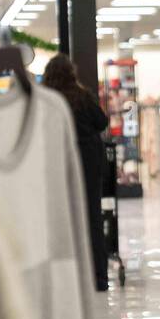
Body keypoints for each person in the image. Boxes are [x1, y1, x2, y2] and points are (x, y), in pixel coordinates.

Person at [43, 54, 110, 291]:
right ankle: (99, 277)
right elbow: (102, 122)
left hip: (58, 161)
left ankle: (65, 279)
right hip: (89, 162)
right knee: (92, 218)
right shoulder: (82, 96)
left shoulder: (47, 101)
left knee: (60, 219)